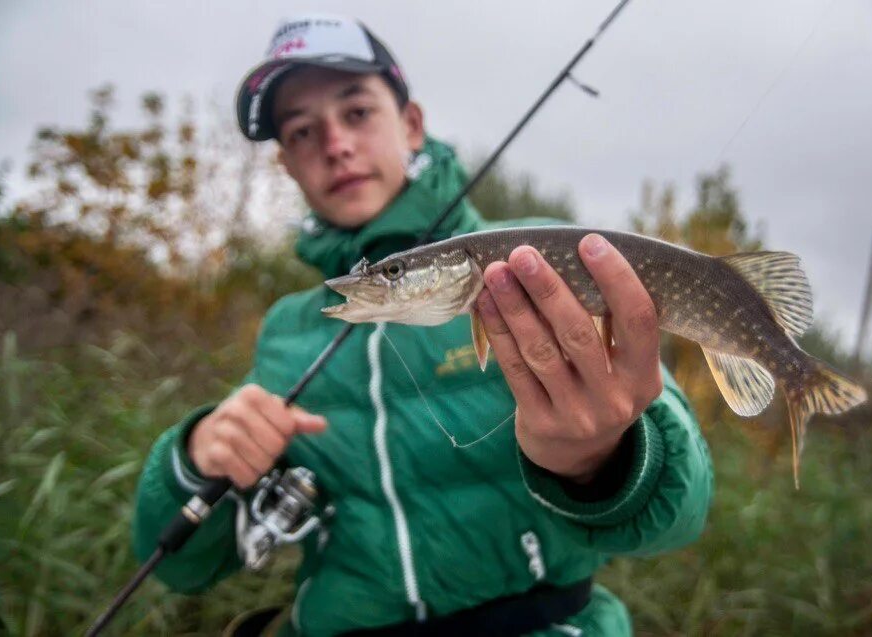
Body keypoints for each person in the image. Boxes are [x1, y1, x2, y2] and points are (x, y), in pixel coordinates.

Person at [132, 13, 713, 637]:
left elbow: (685, 509)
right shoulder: (288, 332)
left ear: (411, 125)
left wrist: (601, 459)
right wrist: (195, 464)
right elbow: (182, 571)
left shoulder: (535, 269)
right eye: (302, 132)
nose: (334, 144)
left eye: (356, 113)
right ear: (289, 166)